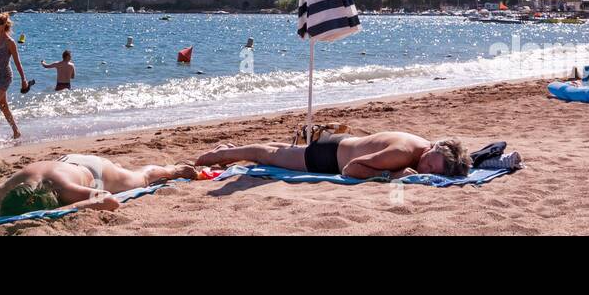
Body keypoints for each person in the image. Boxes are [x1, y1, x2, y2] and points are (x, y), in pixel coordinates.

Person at [0, 155, 198, 219]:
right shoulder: (10, 188)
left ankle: (173, 169)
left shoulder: (64, 189)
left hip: (97, 171)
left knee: (142, 178)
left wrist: (61, 210)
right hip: (66, 162)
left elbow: (107, 199)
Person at [194, 130, 472, 179]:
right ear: (434, 148)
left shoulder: (426, 146)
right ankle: (220, 156)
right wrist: (392, 175)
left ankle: (228, 150)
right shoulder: (402, 154)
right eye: (430, 165)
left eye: (434, 172)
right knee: (265, 155)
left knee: (278, 150)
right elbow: (351, 169)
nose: (426, 171)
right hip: (328, 157)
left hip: (340, 143)